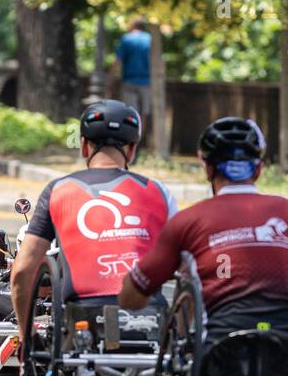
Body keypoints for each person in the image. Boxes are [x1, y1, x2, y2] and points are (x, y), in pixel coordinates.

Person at [118, 116, 288, 345]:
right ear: (258, 170)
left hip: (220, 357)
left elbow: (130, 297)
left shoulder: (188, 221)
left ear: (207, 169)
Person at [10, 98, 178, 340]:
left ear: (83, 146)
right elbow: (188, 265)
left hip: (82, 318)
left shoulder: (58, 190)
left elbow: (23, 270)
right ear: (131, 150)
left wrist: (26, 336)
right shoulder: (159, 191)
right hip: (150, 316)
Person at [109, 19, 152, 145]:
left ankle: (130, 141)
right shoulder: (150, 39)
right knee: (144, 113)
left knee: (131, 114)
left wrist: (109, 78)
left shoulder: (127, 39)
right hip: (147, 81)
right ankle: (138, 143)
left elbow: (118, 61)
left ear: (132, 25)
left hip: (129, 81)